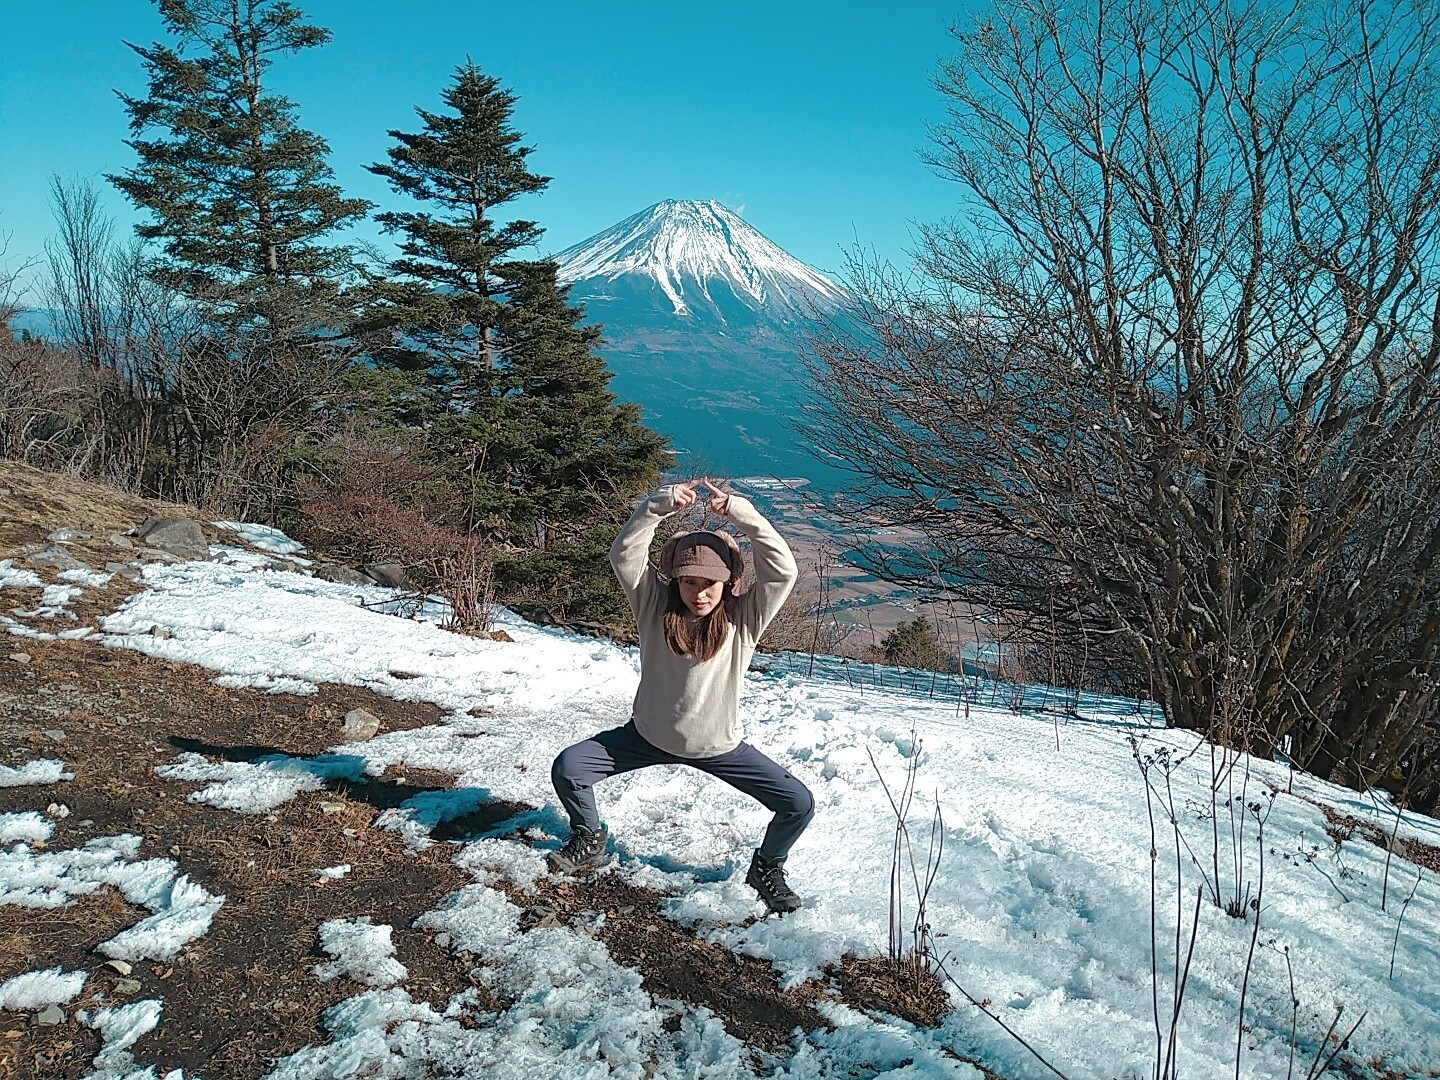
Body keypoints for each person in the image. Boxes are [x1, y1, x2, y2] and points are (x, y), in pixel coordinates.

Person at [548, 477, 814, 913]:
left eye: (711, 583)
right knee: (570, 768)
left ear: (729, 583)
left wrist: (741, 514)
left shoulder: (744, 619)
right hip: (646, 738)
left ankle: (767, 866)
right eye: (689, 582)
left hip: (718, 748)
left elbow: (783, 571)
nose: (699, 593)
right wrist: (657, 506)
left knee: (798, 805)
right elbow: (624, 555)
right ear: (675, 581)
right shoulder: (653, 607)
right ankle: (589, 836)